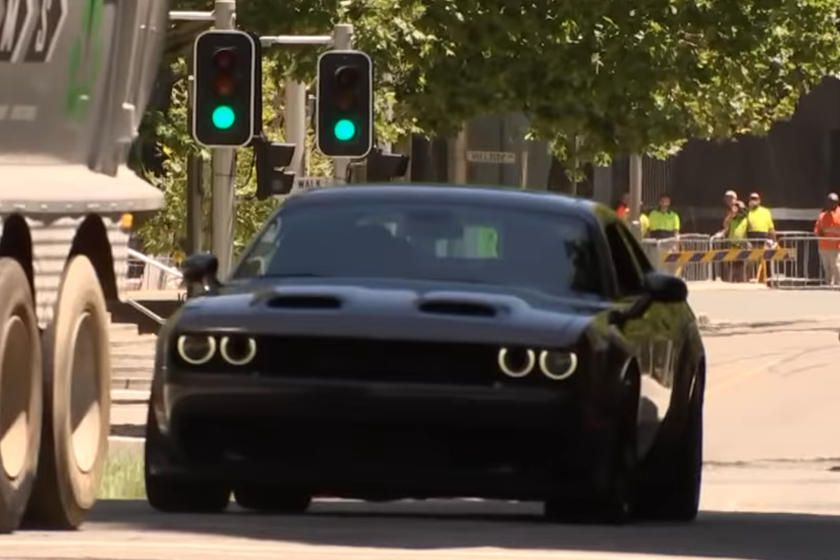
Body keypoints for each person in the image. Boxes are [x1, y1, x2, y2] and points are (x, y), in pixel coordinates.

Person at [745, 192, 776, 282]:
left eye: (755, 199)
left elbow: (771, 228)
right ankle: (749, 279)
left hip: (764, 238)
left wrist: (774, 240)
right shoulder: (746, 212)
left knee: (764, 260)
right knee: (750, 261)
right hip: (751, 239)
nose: (753, 201)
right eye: (752, 199)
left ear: (759, 200)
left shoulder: (765, 212)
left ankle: (765, 280)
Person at [814, 192, 840, 286]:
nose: (831, 204)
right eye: (829, 202)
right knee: (827, 267)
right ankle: (828, 283)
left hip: (836, 247)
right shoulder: (822, 215)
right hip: (824, 246)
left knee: (836, 266)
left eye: (833, 202)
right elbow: (817, 229)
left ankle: (838, 284)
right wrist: (818, 233)